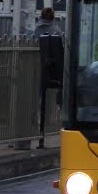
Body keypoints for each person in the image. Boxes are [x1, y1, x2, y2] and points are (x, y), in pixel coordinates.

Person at [36, 8, 64, 143]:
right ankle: (49, 122)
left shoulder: (36, 29)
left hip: (37, 66)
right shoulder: (56, 30)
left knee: (39, 96)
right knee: (51, 97)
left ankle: (40, 124)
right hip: (53, 68)